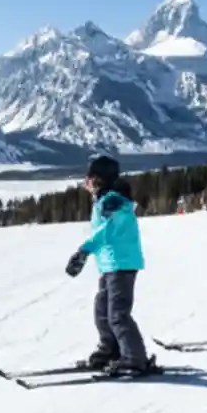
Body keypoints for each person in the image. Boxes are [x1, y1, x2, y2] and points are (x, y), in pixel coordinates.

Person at [64, 154, 152, 376]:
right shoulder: (106, 199)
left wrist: (84, 251)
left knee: (118, 314)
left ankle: (134, 359)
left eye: (90, 178)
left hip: (121, 264)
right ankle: (110, 350)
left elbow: (107, 231)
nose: (87, 182)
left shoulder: (114, 201)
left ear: (101, 179)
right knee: (102, 309)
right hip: (109, 265)